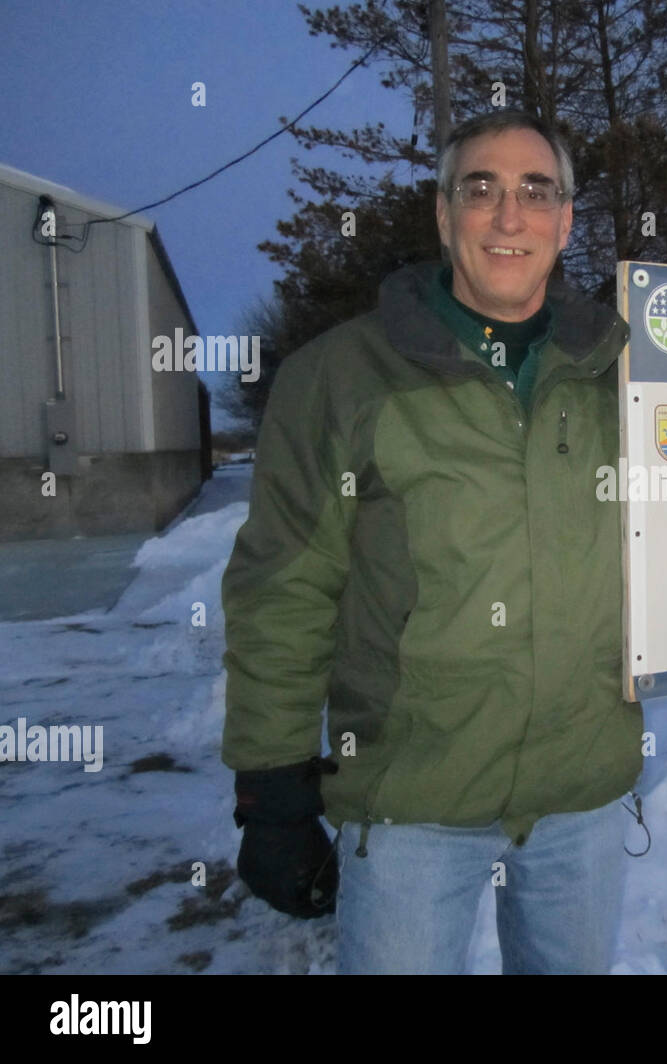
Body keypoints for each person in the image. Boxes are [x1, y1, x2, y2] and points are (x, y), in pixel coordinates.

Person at [221, 109, 644, 974]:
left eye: (537, 191)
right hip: (411, 805)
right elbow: (284, 590)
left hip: (581, 798)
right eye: (479, 189)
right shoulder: (339, 378)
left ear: (568, 220)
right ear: (443, 215)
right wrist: (272, 787)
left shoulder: (622, 372)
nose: (509, 216)